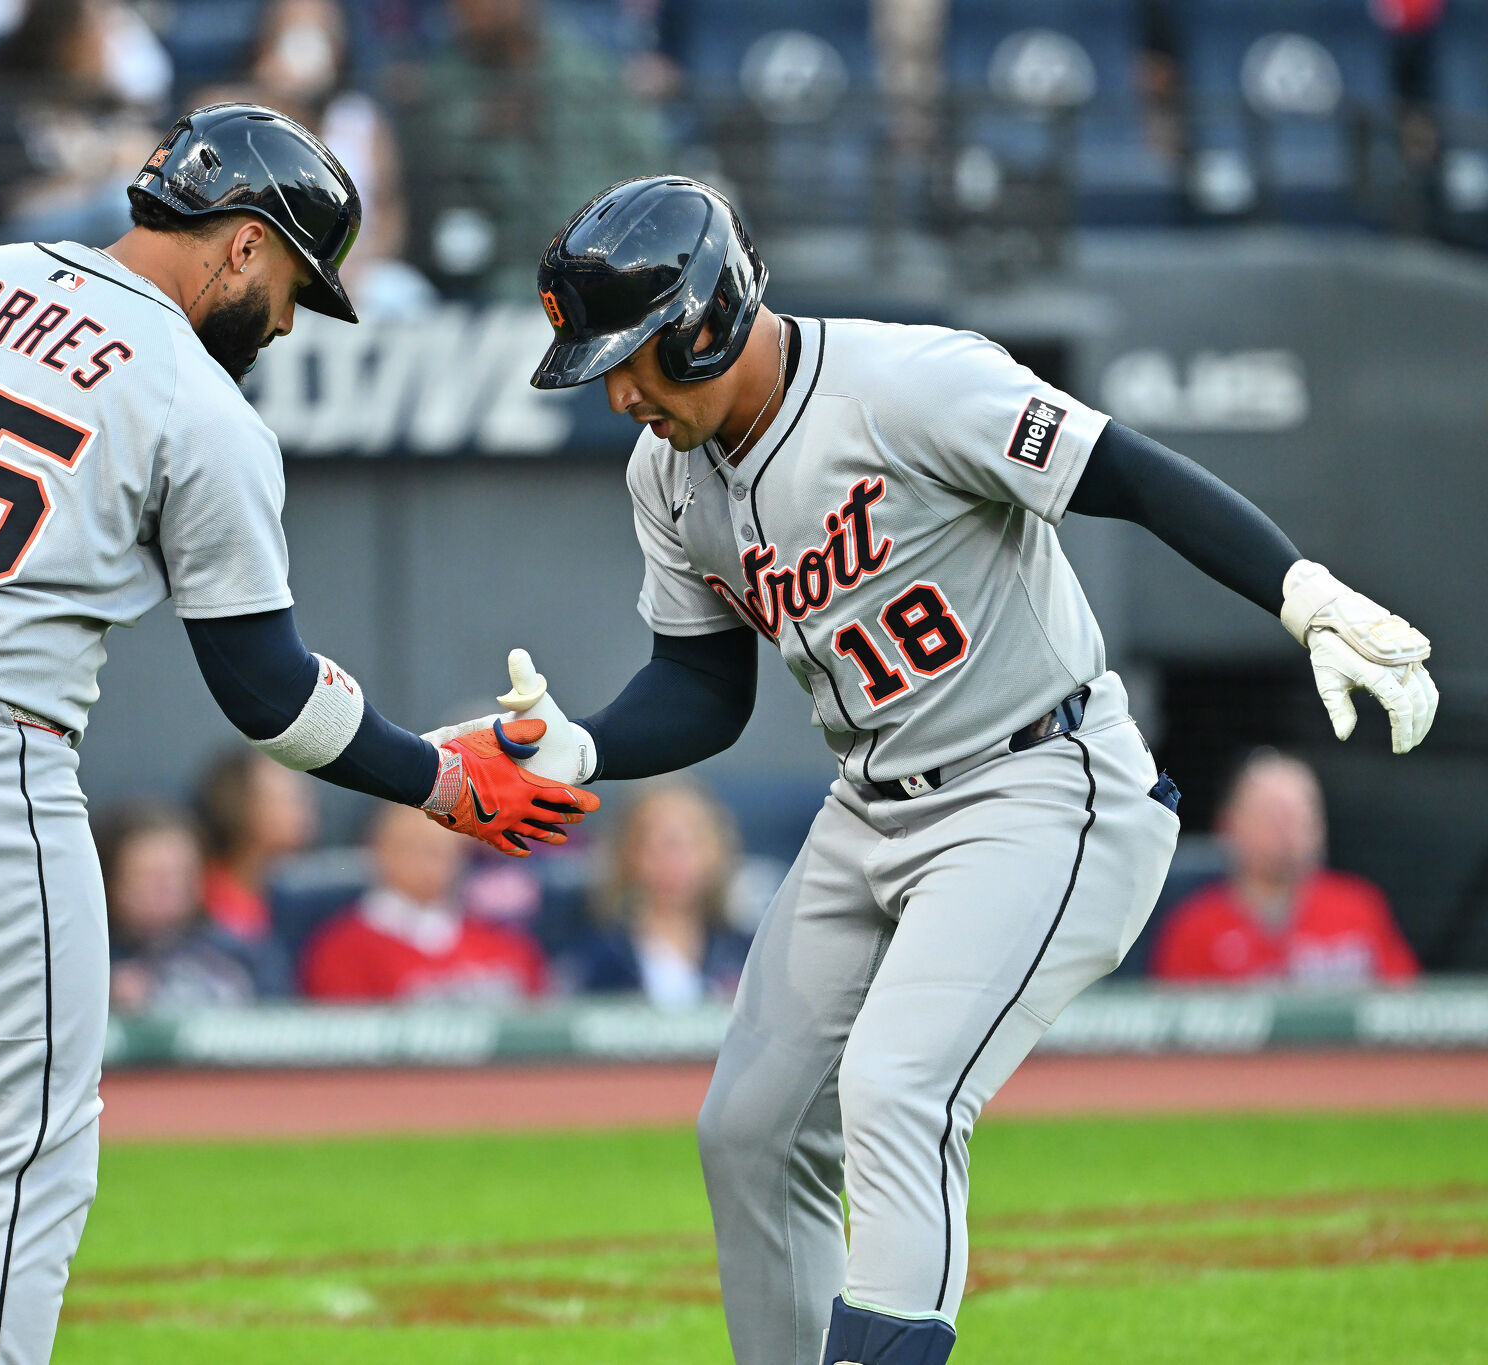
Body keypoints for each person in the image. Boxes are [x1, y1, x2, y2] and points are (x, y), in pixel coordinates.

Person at [0, 103, 595, 1364]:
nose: (288, 321)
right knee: (18, 1165)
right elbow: (267, 696)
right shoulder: (195, 399)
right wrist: (438, 779)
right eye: (294, 286)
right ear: (242, 243)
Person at [455, 175, 1437, 1364]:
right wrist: (585, 746)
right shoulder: (664, 476)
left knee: (897, 1091)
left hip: (1038, 781)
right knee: (749, 1130)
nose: (617, 394)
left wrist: (1299, 592)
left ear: (707, 317)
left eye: (631, 357)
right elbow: (703, 687)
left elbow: (1121, 471)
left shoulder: (904, 384)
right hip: (869, 804)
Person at [392, 0, 670, 301]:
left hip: (589, 261)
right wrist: (480, 123)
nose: (467, 12)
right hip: (490, 274)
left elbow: (647, 168)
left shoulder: (584, 72)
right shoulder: (443, 83)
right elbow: (426, 181)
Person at [199, 0, 433, 317]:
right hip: (254, 273)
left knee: (406, 294)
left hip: (352, 276)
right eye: (296, 35)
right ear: (267, 43)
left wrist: (349, 267)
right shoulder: (232, 112)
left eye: (321, 34)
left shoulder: (362, 120)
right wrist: (274, 94)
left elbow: (391, 217)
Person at [1150, 751, 1417, 984]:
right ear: (1230, 825)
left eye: (1301, 815)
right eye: (1273, 815)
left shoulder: (1360, 909)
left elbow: (1407, 1005)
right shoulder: (1195, 928)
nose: (1289, 830)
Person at [301, 802, 549, 1002]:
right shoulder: (343, 950)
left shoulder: (503, 943)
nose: (435, 862)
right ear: (381, 851)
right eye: (419, 847)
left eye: (444, 849)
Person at [0, 0, 168, 245]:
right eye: (93, 31)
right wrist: (101, 166)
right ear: (62, 41)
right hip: (30, 234)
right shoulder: (9, 109)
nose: (105, 45)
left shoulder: (108, 104)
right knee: (123, 209)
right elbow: (10, 205)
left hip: (103, 221)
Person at [560, 780, 751, 1007]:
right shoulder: (592, 958)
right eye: (654, 843)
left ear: (717, 850)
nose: (672, 859)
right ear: (626, 853)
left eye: (688, 841)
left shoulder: (745, 954)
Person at [98, 801, 286, 1012]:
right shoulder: (92, 963)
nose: (168, 888)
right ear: (113, 882)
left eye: (180, 874)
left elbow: (282, 1018)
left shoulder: (243, 954)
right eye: (151, 876)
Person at [194, 747, 319, 942]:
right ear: (240, 806)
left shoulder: (288, 894)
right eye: (288, 798)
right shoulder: (200, 900)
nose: (306, 809)